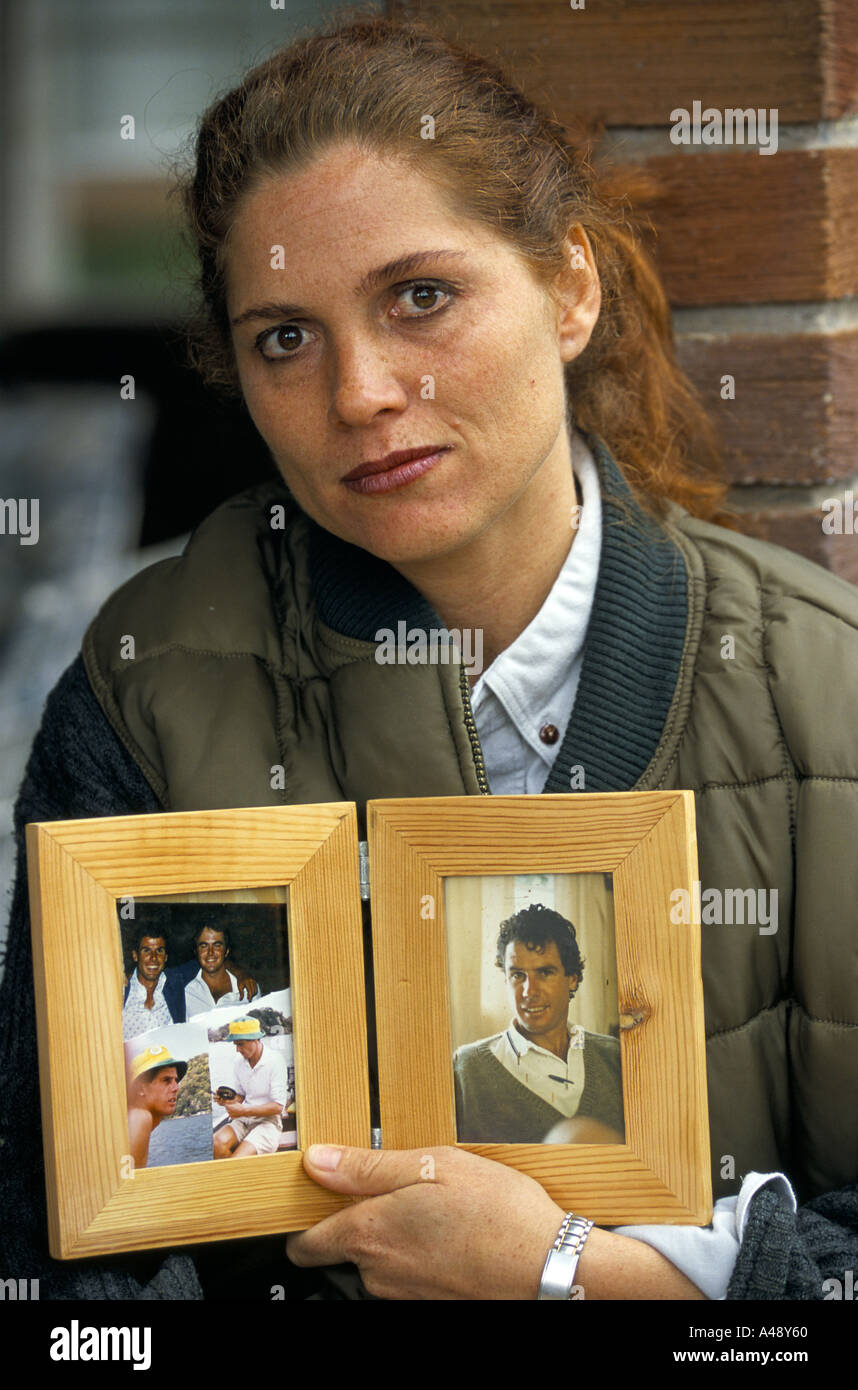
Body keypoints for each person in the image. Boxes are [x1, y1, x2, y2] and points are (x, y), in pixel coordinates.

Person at [4, 14, 857, 1299]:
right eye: (285, 337)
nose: (358, 392)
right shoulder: (144, 692)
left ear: (570, 288)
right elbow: (59, 1263)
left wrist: (569, 1273)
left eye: (421, 297)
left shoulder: (829, 692)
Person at [453, 904, 624, 1143]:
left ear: (572, 979)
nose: (529, 991)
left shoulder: (616, 1057)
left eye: (544, 973)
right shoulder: (466, 1069)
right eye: (518, 975)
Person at [212, 1019, 287, 1159]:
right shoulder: (238, 1062)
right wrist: (227, 1100)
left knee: (238, 1159)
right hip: (244, 1120)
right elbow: (241, 1096)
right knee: (216, 1144)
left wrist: (243, 1110)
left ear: (255, 1040)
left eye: (240, 1044)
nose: (237, 1050)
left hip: (269, 1122)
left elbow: (278, 1107)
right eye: (236, 1045)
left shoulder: (275, 1061)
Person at [125, 1044, 188, 1171]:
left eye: (176, 1080)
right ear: (140, 1088)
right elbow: (126, 1180)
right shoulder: (140, 1117)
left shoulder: (132, 1116)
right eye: (166, 1080)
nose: (176, 1088)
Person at [184, 925, 260, 1020]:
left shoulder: (248, 988)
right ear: (196, 951)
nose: (210, 952)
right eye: (204, 946)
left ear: (226, 951)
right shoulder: (186, 991)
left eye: (217, 945)